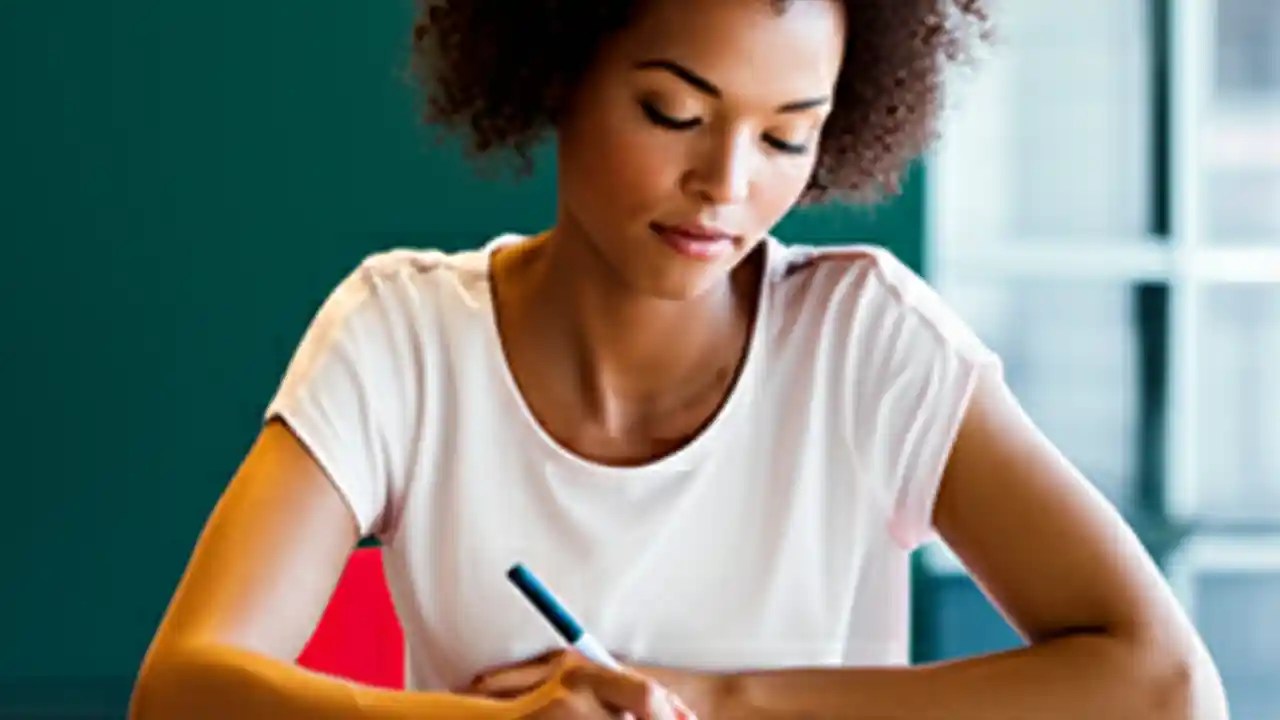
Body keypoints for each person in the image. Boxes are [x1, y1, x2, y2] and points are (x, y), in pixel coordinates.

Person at [129, 0, 1229, 718]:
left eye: (787, 135)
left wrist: (711, 697)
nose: (726, 182)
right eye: (673, 112)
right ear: (554, 70)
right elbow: (181, 688)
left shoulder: (864, 343)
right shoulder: (404, 337)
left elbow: (1165, 687)